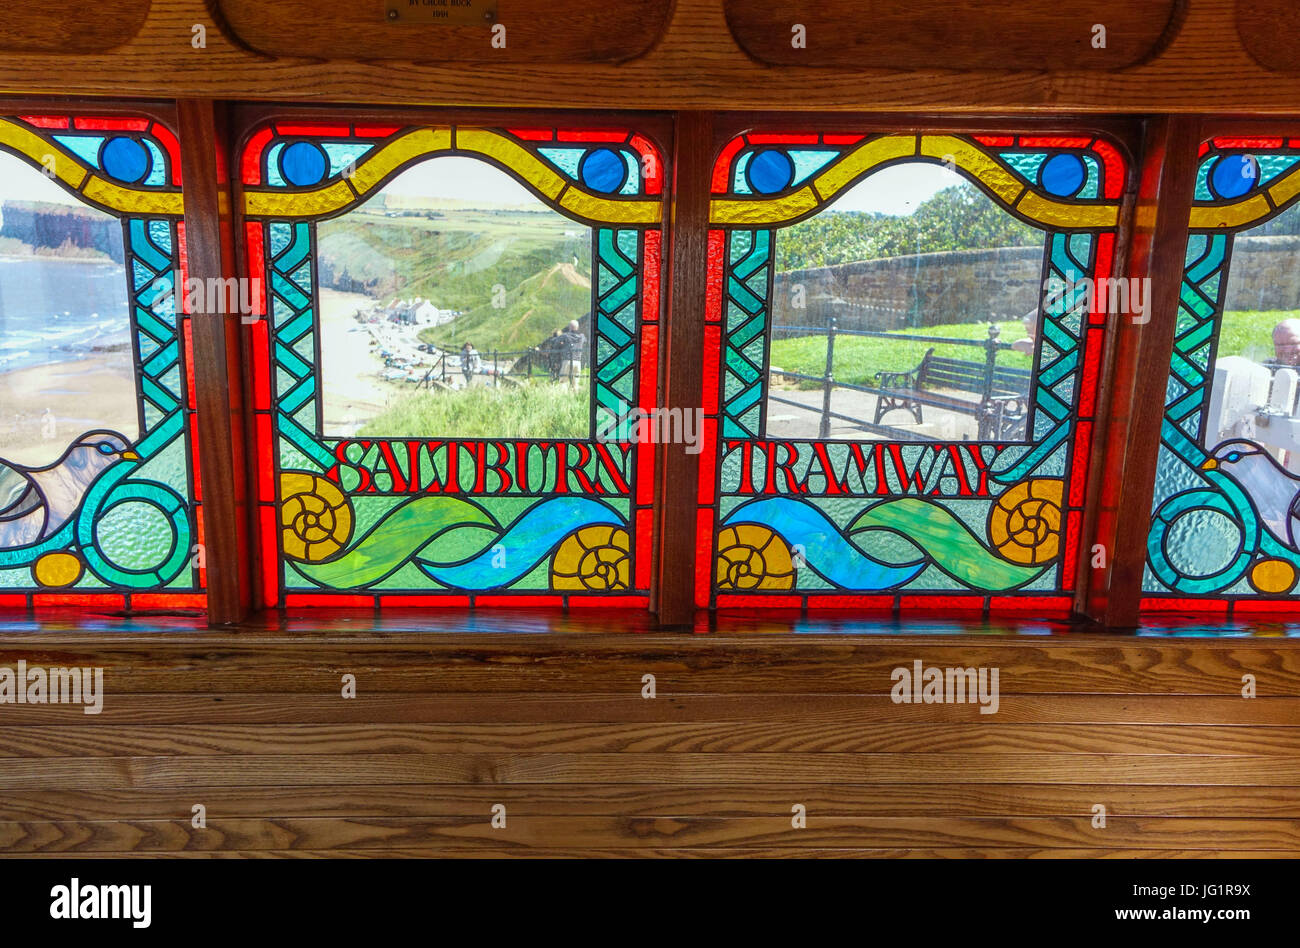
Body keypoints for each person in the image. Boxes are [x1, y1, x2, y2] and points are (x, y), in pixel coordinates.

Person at [558, 319, 586, 390]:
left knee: (563, 381)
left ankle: (563, 396)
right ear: (578, 327)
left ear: (569, 327)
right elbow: (585, 342)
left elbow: (555, 342)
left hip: (567, 360)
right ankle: (575, 397)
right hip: (577, 361)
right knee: (575, 382)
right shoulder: (582, 337)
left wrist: (562, 344)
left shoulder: (565, 336)